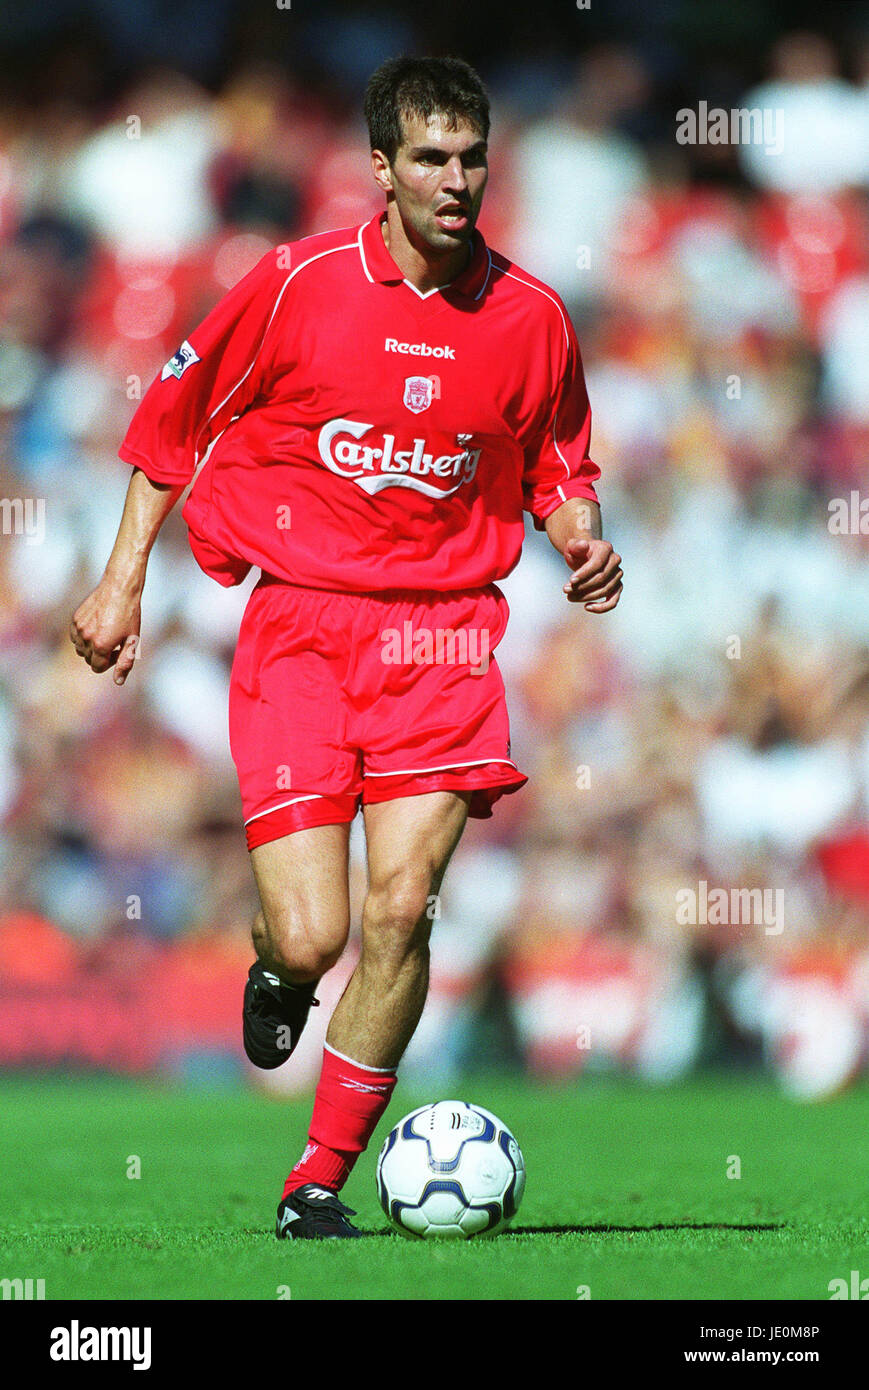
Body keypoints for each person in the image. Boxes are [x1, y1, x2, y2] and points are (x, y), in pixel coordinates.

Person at [69, 55, 623, 1239]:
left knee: (402, 908)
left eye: (471, 158)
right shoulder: (294, 283)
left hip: (442, 637)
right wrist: (119, 584)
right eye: (429, 158)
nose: (455, 180)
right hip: (301, 629)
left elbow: (559, 463)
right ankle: (278, 971)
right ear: (379, 168)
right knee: (314, 932)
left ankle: (314, 1179)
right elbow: (169, 428)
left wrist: (579, 533)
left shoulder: (530, 316)